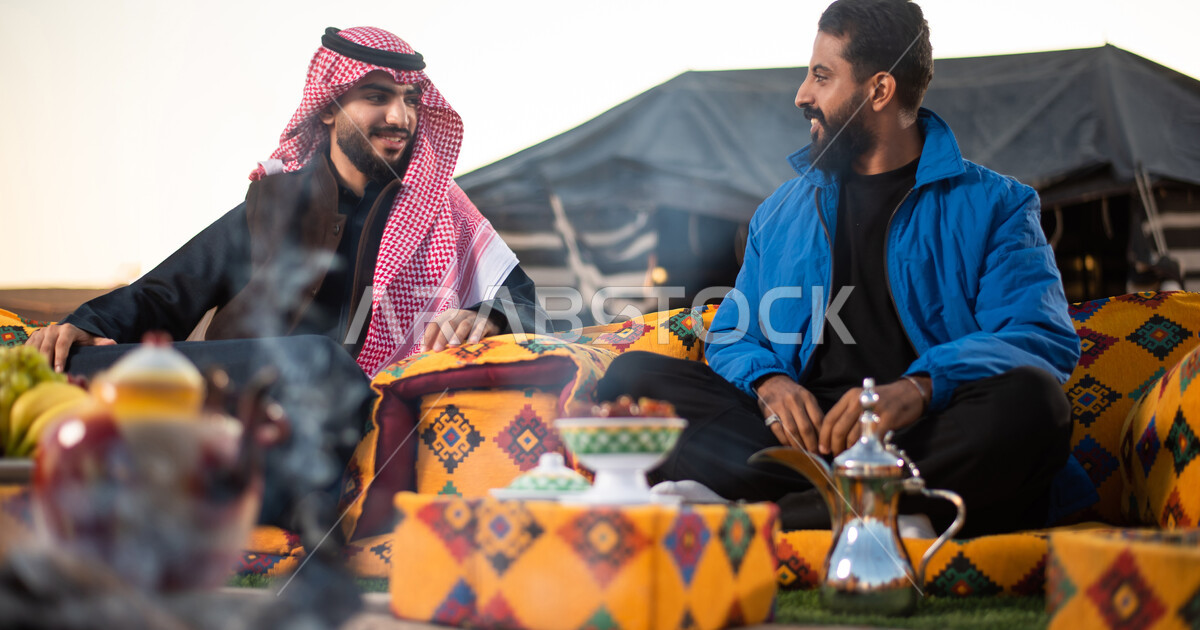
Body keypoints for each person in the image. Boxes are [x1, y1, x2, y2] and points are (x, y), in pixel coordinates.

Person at [597, 0, 1088, 538]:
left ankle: (786, 516)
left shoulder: (998, 205)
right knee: (633, 383)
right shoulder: (779, 213)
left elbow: (1038, 338)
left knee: (1035, 405)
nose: (802, 95)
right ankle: (875, 513)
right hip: (798, 448)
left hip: (920, 439)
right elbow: (734, 335)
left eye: (821, 76)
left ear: (879, 91)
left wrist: (920, 387)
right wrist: (770, 384)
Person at [25, 27, 546, 529]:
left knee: (318, 361)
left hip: (338, 409)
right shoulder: (272, 203)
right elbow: (167, 293)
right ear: (327, 109)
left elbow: (533, 306)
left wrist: (486, 316)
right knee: (80, 360)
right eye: (377, 97)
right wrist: (83, 325)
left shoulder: (441, 208)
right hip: (236, 394)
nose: (400, 116)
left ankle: (205, 499)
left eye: (410, 99)